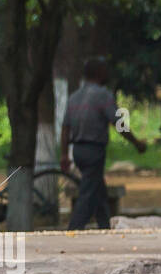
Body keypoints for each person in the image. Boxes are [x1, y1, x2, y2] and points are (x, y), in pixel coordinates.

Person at [61, 58, 148, 230]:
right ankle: (73, 230)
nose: (108, 73)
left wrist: (64, 154)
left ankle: (104, 226)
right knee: (87, 193)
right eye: (105, 70)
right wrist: (136, 143)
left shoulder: (74, 97)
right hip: (94, 151)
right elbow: (118, 123)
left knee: (98, 189)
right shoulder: (103, 95)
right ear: (99, 73)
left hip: (78, 150)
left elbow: (65, 127)